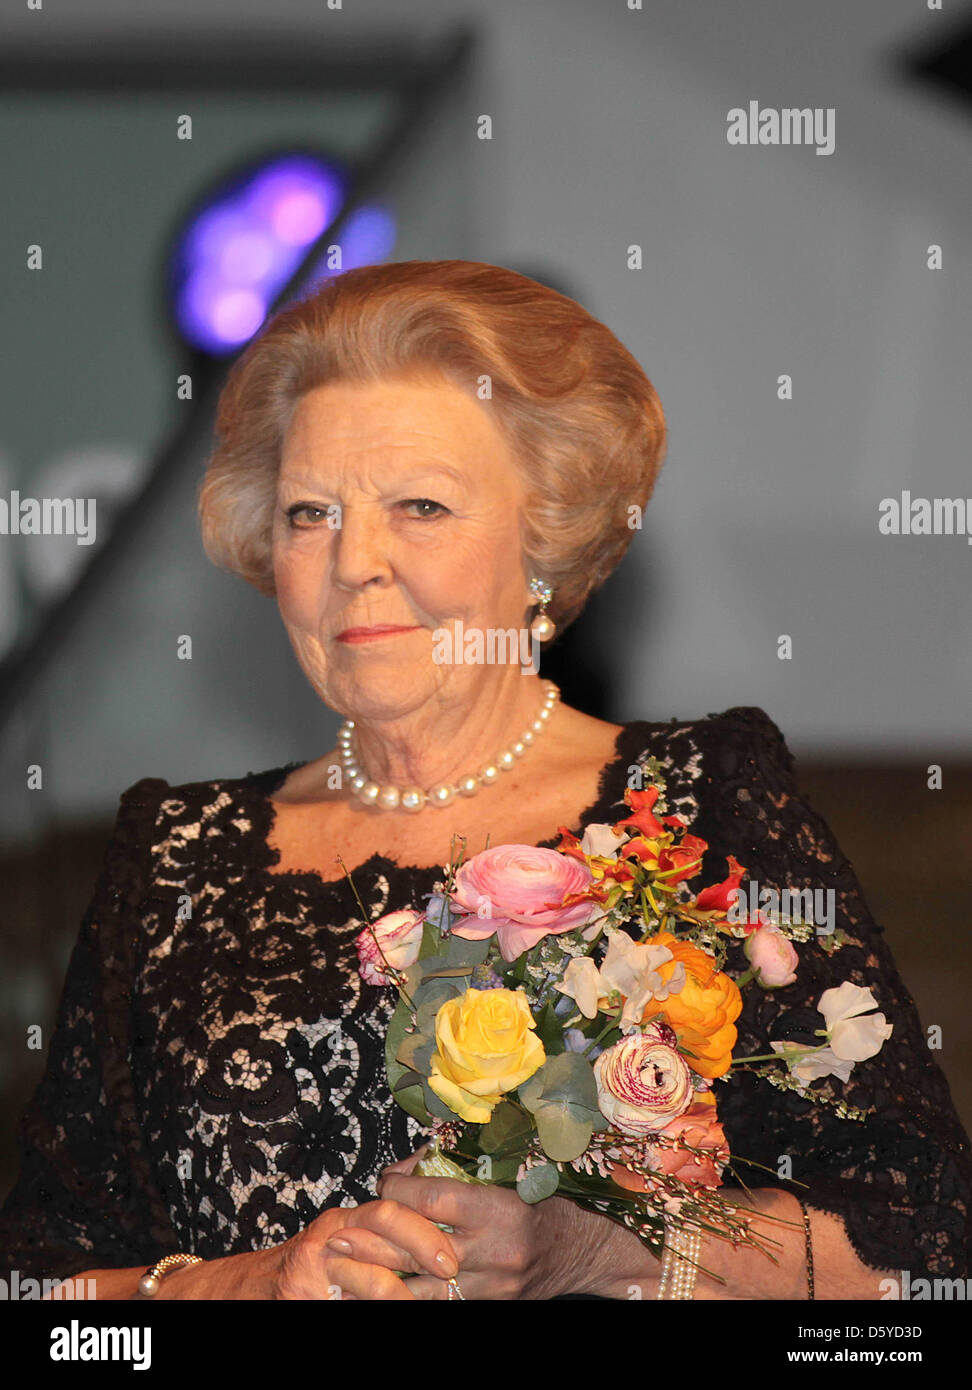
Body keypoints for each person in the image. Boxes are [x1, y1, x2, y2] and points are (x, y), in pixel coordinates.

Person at [1, 261, 969, 1300]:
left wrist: (606, 1248)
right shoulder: (171, 855)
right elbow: (43, 1304)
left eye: (421, 505)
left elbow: (924, 1265)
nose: (354, 559)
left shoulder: (697, 799)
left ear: (542, 543)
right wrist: (253, 1284)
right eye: (308, 513)